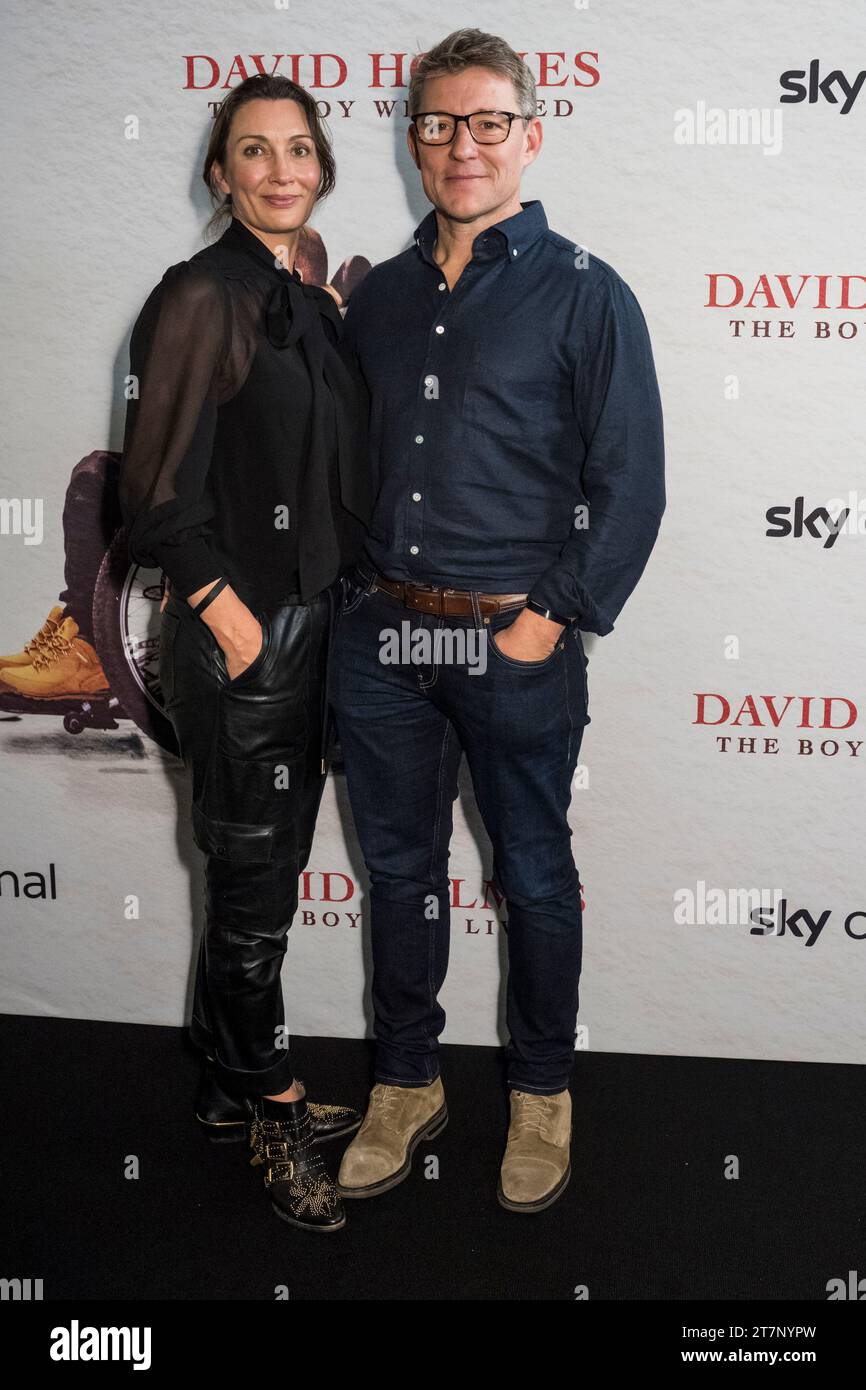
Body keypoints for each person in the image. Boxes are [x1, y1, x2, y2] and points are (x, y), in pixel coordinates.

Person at [329, 28, 666, 1213]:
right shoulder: (373, 297)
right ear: (411, 139)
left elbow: (630, 486)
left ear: (528, 134)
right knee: (400, 871)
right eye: (436, 123)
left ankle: (539, 1094)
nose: (459, 146)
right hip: (381, 641)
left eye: (484, 123)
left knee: (531, 876)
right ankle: (405, 1080)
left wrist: (547, 620)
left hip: (509, 642)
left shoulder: (585, 292)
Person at [118, 73, 372, 1233]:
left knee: (254, 882)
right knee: (254, 899)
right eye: (252, 152)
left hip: (309, 634)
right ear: (219, 176)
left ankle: (225, 1092)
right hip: (241, 643)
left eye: (298, 150)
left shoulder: (305, 304)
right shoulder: (199, 295)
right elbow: (151, 490)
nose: (280, 170)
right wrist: (227, 611)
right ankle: (272, 1103)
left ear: (320, 167)